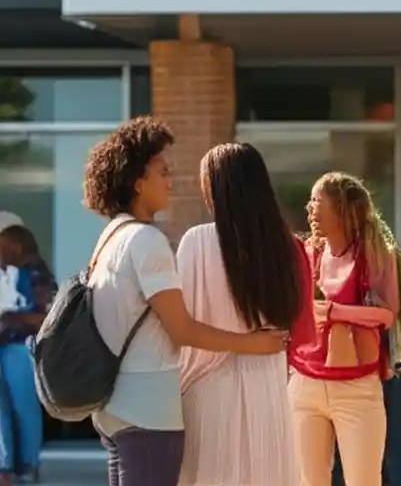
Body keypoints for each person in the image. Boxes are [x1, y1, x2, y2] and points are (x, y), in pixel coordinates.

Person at [82, 116, 288, 485]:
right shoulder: (147, 241)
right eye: (163, 171)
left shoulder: (111, 239)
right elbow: (181, 327)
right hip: (148, 406)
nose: (172, 181)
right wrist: (250, 344)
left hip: (118, 403)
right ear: (137, 181)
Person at [174, 143, 317, 485]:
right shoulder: (288, 246)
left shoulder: (196, 242)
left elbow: (180, 325)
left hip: (206, 390)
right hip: (267, 387)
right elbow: (304, 334)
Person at [289, 172, 400, 486]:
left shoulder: (376, 255)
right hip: (304, 385)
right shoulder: (306, 255)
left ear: (342, 209)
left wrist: (336, 312)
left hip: (357, 387)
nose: (310, 209)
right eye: (309, 201)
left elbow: (387, 315)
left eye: (317, 201)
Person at [332, 227, 401, 486]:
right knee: (385, 445)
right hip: (368, 371)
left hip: (373, 371)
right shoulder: (343, 261)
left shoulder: (383, 261)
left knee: (383, 445)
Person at [0, 225, 53, 482]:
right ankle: (4, 467)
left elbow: (45, 316)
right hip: (4, 343)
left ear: (17, 246)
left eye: (3, 245)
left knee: (24, 406)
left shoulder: (36, 274)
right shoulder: (4, 271)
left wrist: (11, 317)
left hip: (21, 346)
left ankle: (28, 464)